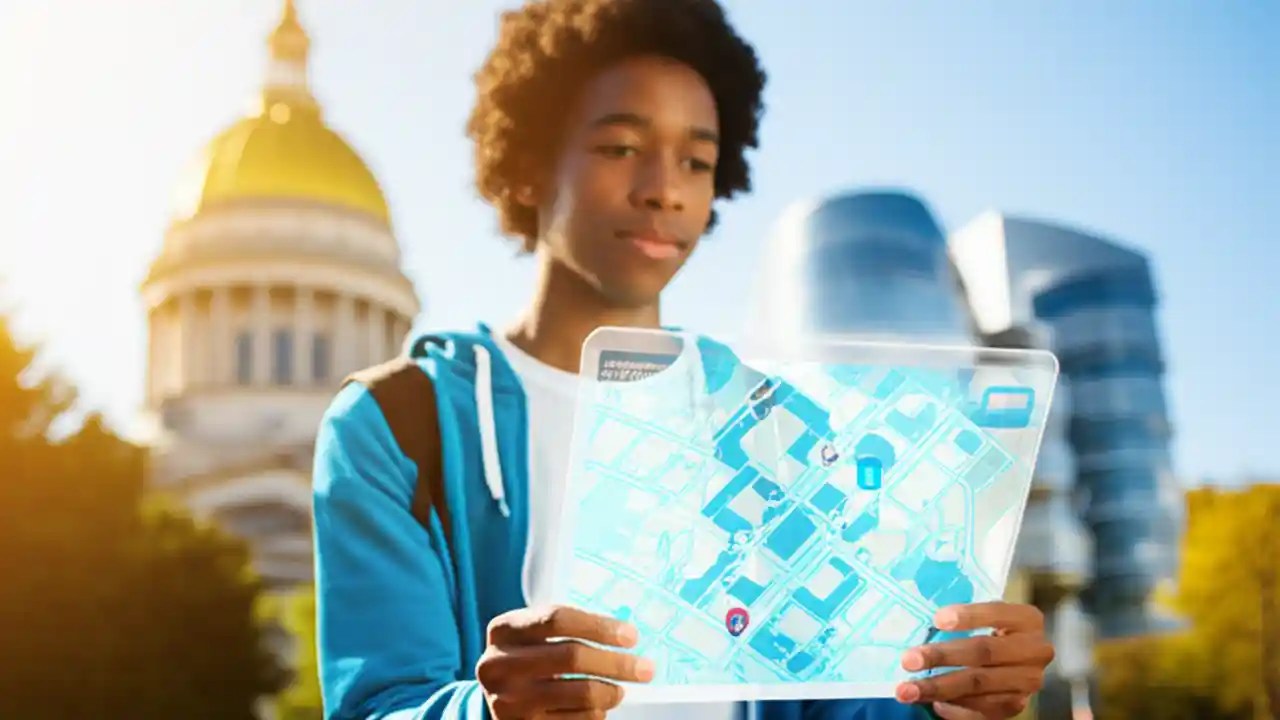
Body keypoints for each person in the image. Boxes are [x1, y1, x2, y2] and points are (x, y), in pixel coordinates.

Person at [311, 1, 1055, 718]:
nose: (664, 191)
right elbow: (380, 705)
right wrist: (491, 713)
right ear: (531, 166)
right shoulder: (398, 424)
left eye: (697, 161)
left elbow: (835, 703)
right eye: (621, 148)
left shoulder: (778, 427)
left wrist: (946, 693)